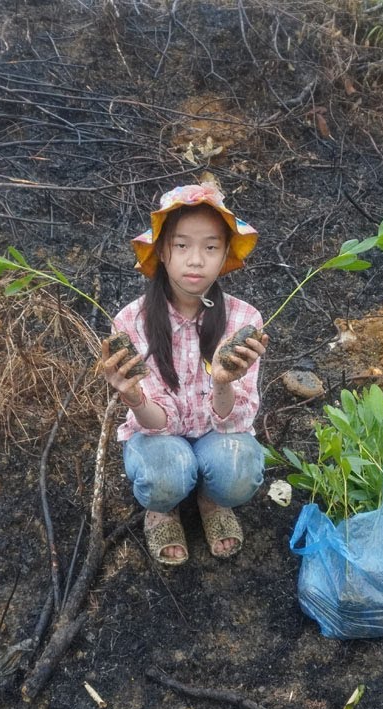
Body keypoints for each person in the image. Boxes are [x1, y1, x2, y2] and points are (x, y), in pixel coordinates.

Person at [99, 183, 268, 566]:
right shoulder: (131, 321)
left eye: (210, 247)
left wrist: (223, 381)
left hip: (216, 433)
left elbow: (235, 420)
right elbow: (155, 420)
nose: (196, 260)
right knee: (166, 477)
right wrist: (132, 397)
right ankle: (163, 509)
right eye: (181, 246)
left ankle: (211, 500)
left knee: (239, 472)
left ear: (225, 253)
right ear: (161, 251)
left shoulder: (245, 320)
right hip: (158, 437)